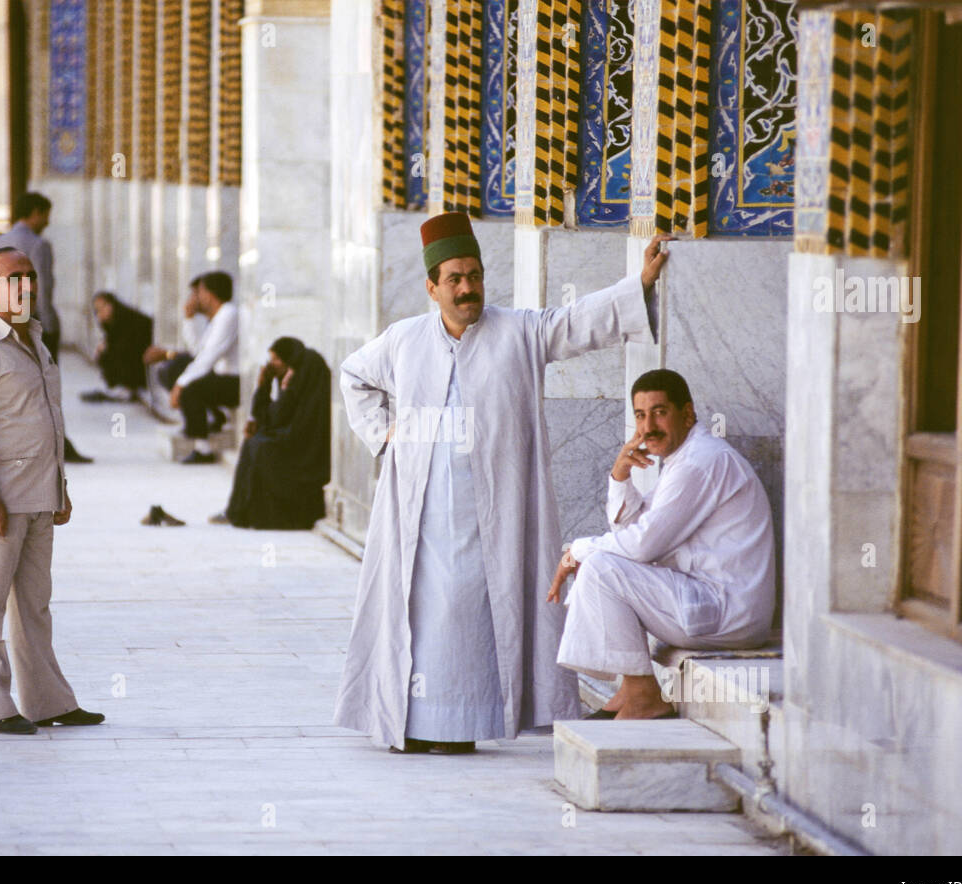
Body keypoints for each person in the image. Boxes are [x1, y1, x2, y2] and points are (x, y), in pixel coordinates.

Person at [334, 210, 671, 754]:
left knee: (468, 616)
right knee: (422, 618)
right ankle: (414, 724)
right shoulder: (403, 340)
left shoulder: (517, 331)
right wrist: (386, 436)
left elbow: (576, 321)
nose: (467, 288)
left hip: (493, 513)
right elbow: (353, 375)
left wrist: (639, 285)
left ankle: (459, 727)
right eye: (454, 279)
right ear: (431, 287)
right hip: (419, 515)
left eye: (474, 275)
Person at [547, 369, 776, 720]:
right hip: (711, 601)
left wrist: (576, 552)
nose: (648, 426)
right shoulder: (684, 459)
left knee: (600, 567)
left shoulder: (702, 461)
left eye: (660, 412)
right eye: (640, 415)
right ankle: (631, 687)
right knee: (605, 563)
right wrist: (620, 476)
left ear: (687, 414)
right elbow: (635, 531)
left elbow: (641, 546)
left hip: (727, 610)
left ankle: (644, 694)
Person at [0, 246, 104, 735]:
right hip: (0, 501)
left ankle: (48, 701)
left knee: (35, 604)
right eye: (14, 278)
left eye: (30, 277)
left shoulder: (37, 342)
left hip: (40, 496)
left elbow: (46, 423)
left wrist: (61, 488)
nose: (26, 286)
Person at [0, 192, 92, 463]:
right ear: (34, 212)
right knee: (46, 386)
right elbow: (41, 288)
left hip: (4, 324)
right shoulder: (38, 245)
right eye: (45, 214)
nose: (47, 220)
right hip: (36, 323)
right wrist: (48, 324)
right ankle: (56, 445)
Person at [210, 336, 331, 529]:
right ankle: (239, 510)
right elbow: (270, 417)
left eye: (275, 359)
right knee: (252, 442)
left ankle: (250, 513)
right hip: (294, 438)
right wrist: (266, 386)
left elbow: (279, 420)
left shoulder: (304, 372)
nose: (271, 365)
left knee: (260, 446)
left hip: (305, 450)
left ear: (289, 360)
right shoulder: (293, 378)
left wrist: (277, 388)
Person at [142, 271, 239, 464]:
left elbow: (208, 357)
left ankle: (203, 449)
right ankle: (214, 416)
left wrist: (181, 385)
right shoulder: (218, 317)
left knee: (191, 389)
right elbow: (197, 352)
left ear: (211, 295)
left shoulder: (229, 314)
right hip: (220, 375)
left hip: (236, 381)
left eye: (200, 293)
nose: (196, 298)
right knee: (172, 369)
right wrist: (188, 319)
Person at [80, 292, 155, 402]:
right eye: (97, 310)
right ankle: (118, 387)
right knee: (105, 353)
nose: (100, 312)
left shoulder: (127, 317)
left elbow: (127, 343)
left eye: (103, 307)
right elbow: (113, 338)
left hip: (143, 350)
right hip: (131, 348)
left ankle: (127, 387)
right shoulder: (111, 320)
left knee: (116, 352)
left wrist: (107, 346)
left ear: (111, 305)